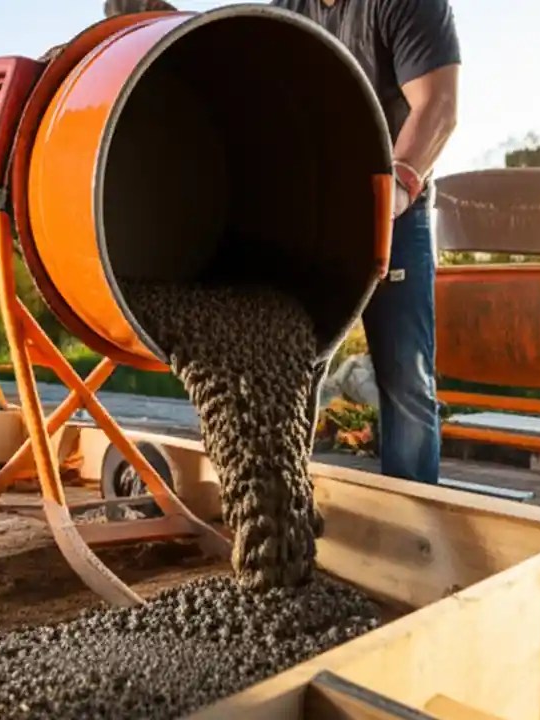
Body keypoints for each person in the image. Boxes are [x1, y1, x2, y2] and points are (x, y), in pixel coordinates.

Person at [103, 0, 460, 486]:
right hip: (316, 218)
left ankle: (417, 521)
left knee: (405, 377)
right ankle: (286, 504)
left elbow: (437, 104)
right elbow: (244, 63)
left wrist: (395, 190)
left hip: (393, 208)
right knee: (297, 365)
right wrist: (170, 21)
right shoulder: (288, 11)